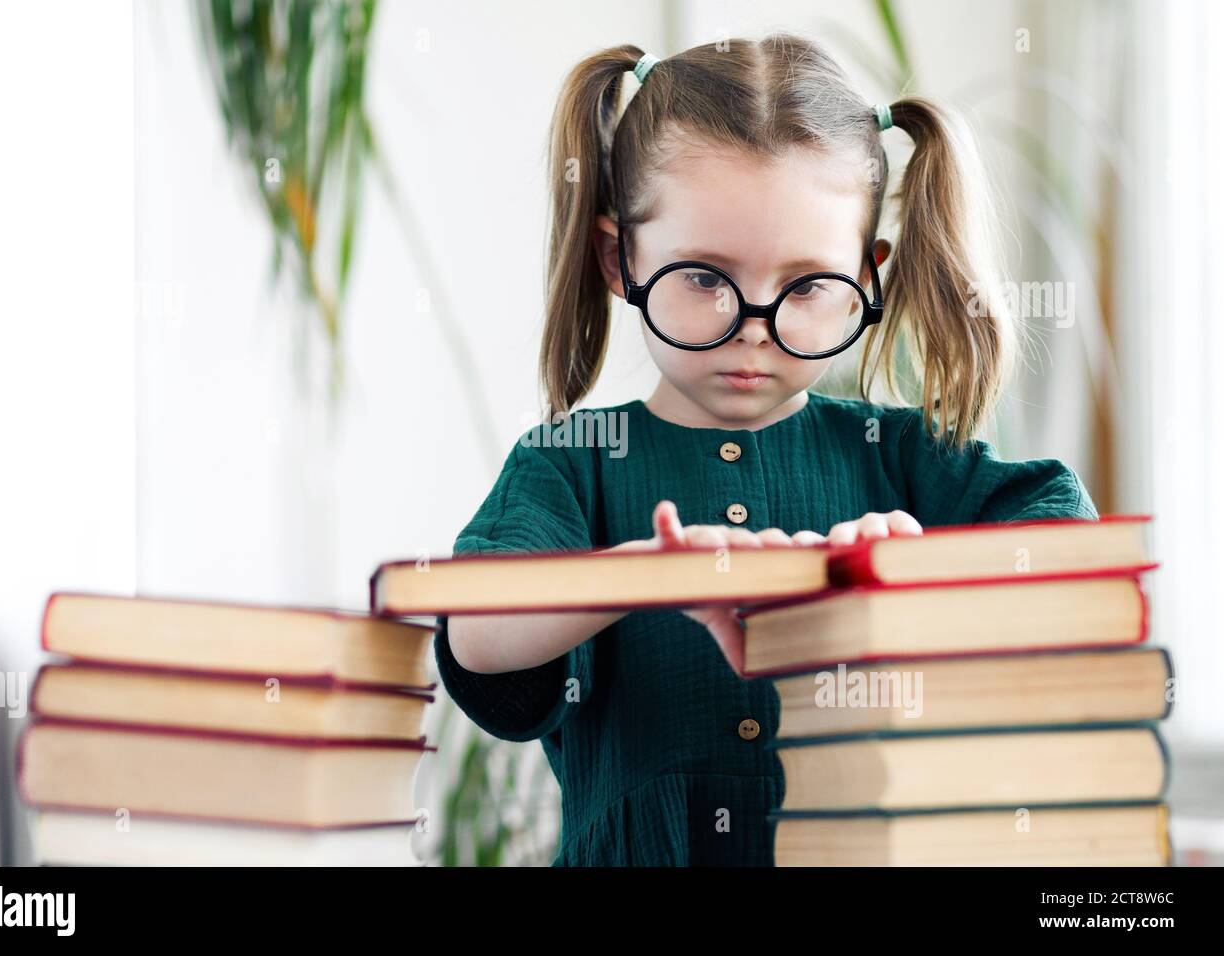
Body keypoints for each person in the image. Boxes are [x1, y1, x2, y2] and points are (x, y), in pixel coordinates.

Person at [436, 34, 1096, 866]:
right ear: (619, 257)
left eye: (810, 286)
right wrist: (647, 576)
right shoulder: (570, 463)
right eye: (706, 278)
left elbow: (1065, 545)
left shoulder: (901, 454)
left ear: (870, 273)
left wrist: (919, 573)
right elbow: (478, 632)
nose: (754, 330)